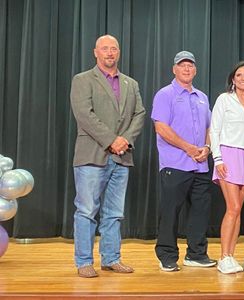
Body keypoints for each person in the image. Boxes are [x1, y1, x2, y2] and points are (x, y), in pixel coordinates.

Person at [70, 34, 145, 278]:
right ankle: (83, 261)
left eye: (114, 49)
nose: (110, 53)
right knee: (87, 210)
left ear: (119, 52)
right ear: (96, 52)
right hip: (91, 155)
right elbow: (84, 114)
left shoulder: (130, 84)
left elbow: (139, 114)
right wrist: (111, 140)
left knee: (114, 212)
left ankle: (111, 258)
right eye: (105, 49)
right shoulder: (82, 80)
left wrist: (125, 140)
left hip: (121, 157)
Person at [151, 51, 216, 272]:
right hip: (175, 164)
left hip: (200, 165)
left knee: (200, 211)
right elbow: (161, 128)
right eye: (182, 65)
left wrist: (206, 148)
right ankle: (167, 256)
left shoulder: (202, 96)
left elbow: (210, 126)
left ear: (195, 70)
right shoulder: (165, 94)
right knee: (170, 212)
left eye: (190, 65)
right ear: (174, 69)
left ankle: (196, 254)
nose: (186, 69)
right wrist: (188, 147)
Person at [210, 61, 244, 274]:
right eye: (239, 75)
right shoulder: (224, 99)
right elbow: (214, 130)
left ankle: (231, 256)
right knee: (234, 208)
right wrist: (218, 159)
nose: (243, 78)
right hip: (227, 155)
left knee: (238, 210)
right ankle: (223, 257)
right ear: (233, 79)